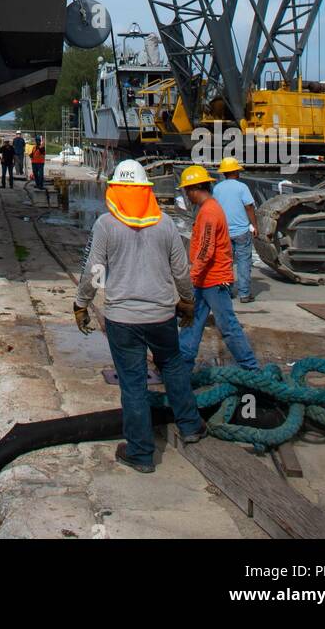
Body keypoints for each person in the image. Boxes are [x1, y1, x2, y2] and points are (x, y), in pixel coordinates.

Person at [73, 159, 206, 474]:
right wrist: (187, 300)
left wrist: (81, 303)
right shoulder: (165, 224)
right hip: (161, 316)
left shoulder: (106, 225)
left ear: (115, 190)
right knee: (172, 367)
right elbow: (181, 270)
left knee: (133, 384)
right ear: (146, 191)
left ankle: (141, 453)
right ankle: (190, 426)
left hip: (122, 320)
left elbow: (94, 270)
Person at [178, 166, 259, 371]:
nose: (186, 195)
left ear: (195, 189)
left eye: (187, 190)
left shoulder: (209, 212)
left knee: (227, 326)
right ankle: (181, 366)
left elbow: (206, 250)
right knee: (192, 321)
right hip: (204, 280)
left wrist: (191, 276)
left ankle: (251, 369)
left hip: (214, 281)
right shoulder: (208, 209)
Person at [213, 157, 259, 303]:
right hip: (242, 232)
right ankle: (244, 294)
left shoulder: (217, 188)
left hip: (223, 232)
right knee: (244, 262)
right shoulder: (242, 187)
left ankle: (227, 292)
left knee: (226, 263)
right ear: (235, 172)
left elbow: (214, 209)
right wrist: (255, 225)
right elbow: (249, 207)